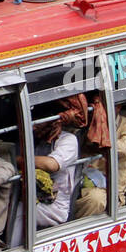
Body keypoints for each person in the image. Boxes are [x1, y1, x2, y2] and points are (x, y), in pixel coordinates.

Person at [33, 97, 85, 227]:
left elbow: (51, 164)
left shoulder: (68, 140)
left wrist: (18, 160)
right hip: (34, 199)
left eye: (39, 124)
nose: (35, 128)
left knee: (19, 210)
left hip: (55, 207)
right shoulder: (33, 141)